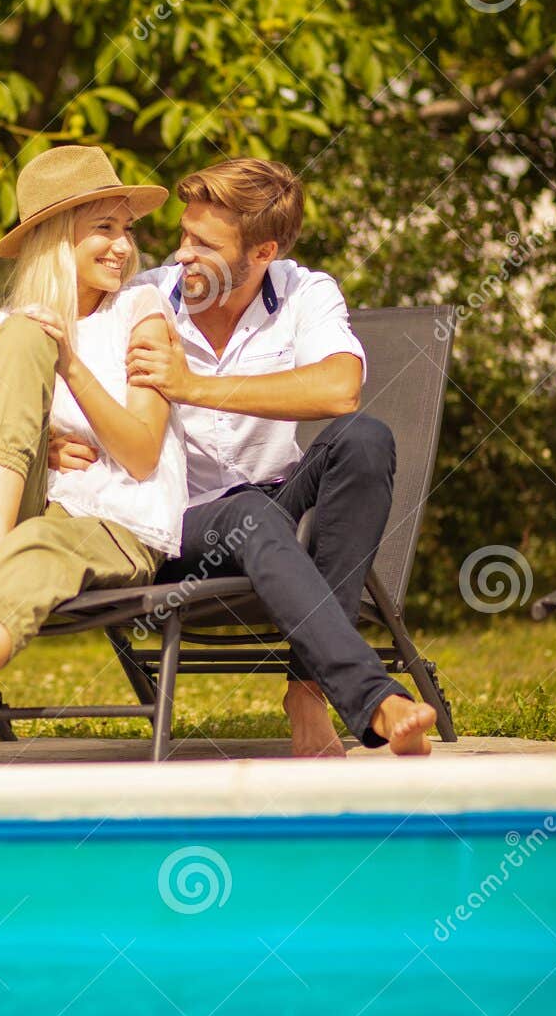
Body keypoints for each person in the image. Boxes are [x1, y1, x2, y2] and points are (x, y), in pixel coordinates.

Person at [50, 157, 437, 758]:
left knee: (363, 440)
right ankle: (373, 699)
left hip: (278, 511)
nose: (182, 254)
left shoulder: (306, 292)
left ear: (262, 252)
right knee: (247, 514)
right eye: (183, 234)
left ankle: (307, 691)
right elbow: (55, 365)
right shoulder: (140, 299)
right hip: (172, 526)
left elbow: (340, 390)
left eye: (204, 245)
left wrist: (193, 386)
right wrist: (50, 441)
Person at [0, 145, 188, 741]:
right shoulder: (6, 328)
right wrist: (43, 445)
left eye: (126, 230)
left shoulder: (139, 311)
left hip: (111, 520)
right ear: (56, 238)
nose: (123, 247)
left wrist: (71, 366)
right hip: (6, 517)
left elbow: (143, 453)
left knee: (40, 544)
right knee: (22, 333)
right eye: (104, 228)